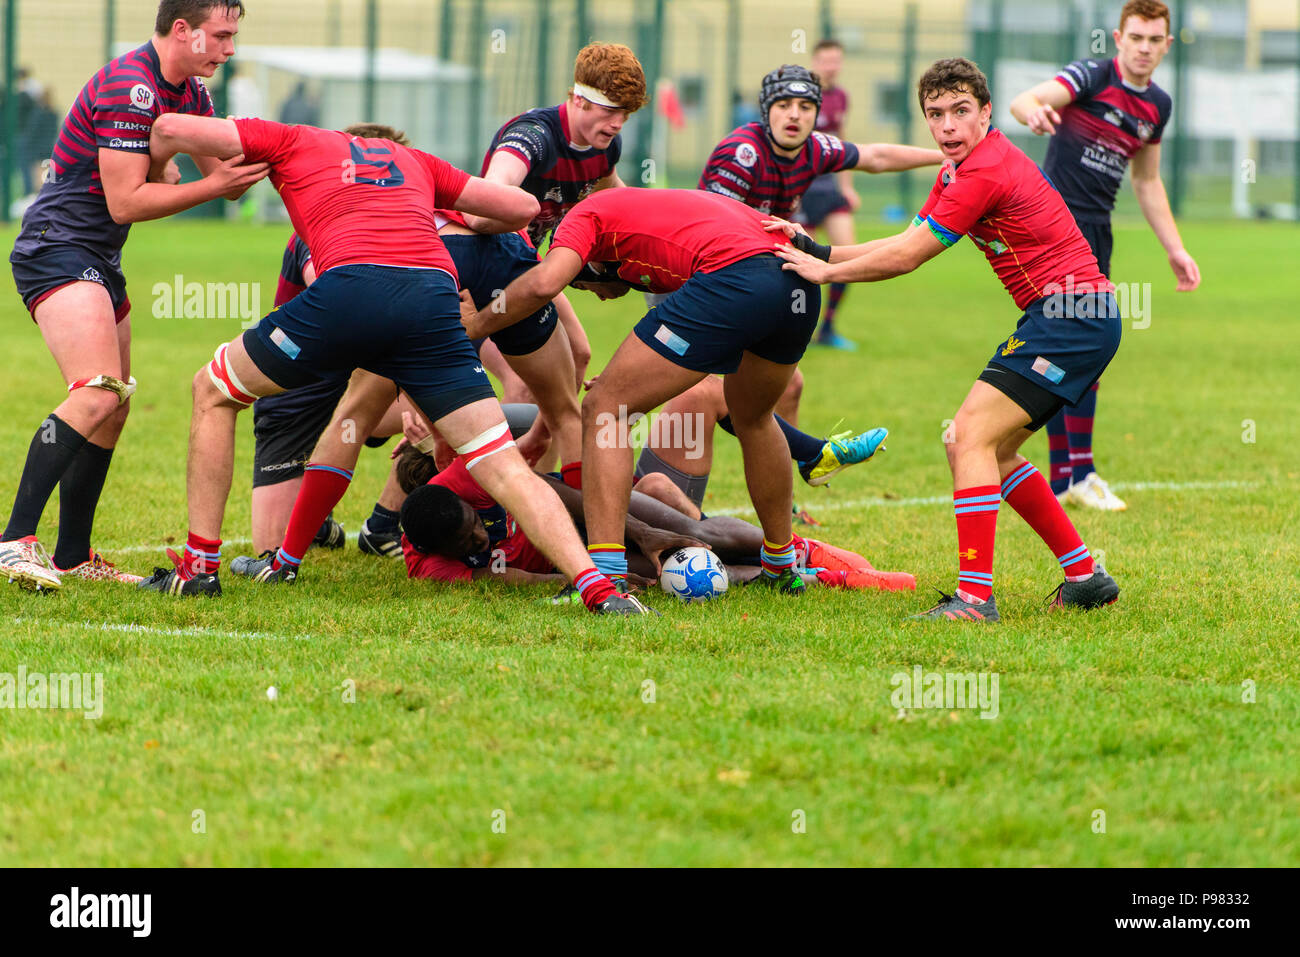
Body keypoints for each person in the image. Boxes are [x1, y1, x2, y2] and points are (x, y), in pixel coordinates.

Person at [136, 112, 649, 616]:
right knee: (504, 466)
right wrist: (458, 212)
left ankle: (201, 569)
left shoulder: (291, 138)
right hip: (434, 297)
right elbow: (519, 205)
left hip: (352, 290)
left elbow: (167, 128)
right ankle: (601, 591)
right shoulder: (416, 161)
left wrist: (166, 173)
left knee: (216, 389)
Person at [774, 57, 1122, 622]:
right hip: (1067, 318)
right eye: (936, 115)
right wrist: (818, 253)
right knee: (988, 447)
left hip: (1071, 319)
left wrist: (823, 273)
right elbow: (907, 236)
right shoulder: (959, 170)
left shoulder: (984, 170)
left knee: (969, 439)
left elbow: (909, 257)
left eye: (961, 111)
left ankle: (975, 599)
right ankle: (1085, 576)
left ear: (986, 112)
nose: (948, 126)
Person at [0, 0, 267, 593]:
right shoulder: (132, 87)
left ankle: (71, 556)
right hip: (58, 247)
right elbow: (126, 203)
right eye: (220, 36)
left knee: (114, 409)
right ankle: (14, 542)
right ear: (182, 31)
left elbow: (224, 173)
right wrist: (203, 182)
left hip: (98, 258)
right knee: (96, 393)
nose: (229, 49)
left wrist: (307, 156)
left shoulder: (191, 96)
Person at [465, 186, 826, 596]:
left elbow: (542, 284)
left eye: (584, 286)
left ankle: (604, 574)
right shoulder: (648, 212)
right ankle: (781, 566)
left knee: (605, 408)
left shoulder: (583, 219)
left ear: (592, 262)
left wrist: (475, 326)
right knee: (754, 418)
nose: (600, 297)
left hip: (738, 277)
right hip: (797, 281)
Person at [1009, 0, 1199, 512]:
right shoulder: (1092, 76)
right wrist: (1033, 111)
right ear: (1118, 39)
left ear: (1166, 44)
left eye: (1154, 39)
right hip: (1053, 228)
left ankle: (1071, 475)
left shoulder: (1157, 104)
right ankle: (1072, 473)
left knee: (1080, 353)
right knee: (1067, 350)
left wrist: (1175, 249)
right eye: (1135, 37)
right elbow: (1026, 100)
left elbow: (1147, 179)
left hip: (1096, 233)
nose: (1143, 47)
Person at [394, 438, 915, 594]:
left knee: (687, 532)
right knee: (670, 575)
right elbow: (522, 579)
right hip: (565, 554)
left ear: (466, 504)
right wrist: (591, 580)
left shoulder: (470, 476)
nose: (478, 543)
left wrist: (642, 531)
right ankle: (825, 579)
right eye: (466, 548)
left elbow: (553, 490)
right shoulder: (429, 566)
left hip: (577, 507)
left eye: (475, 529)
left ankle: (801, 547)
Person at [796, 40, 860, 351]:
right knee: (801, 262)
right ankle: (794, 330)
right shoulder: (801, 95)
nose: (831, 66)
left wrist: (847, 186)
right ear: (815, 61)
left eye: (836, 60)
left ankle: (828, 327)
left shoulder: (841, 97)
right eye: (825, 60)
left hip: (829, 188)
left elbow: (843, 143)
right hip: (802, 189)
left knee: (848, 255)